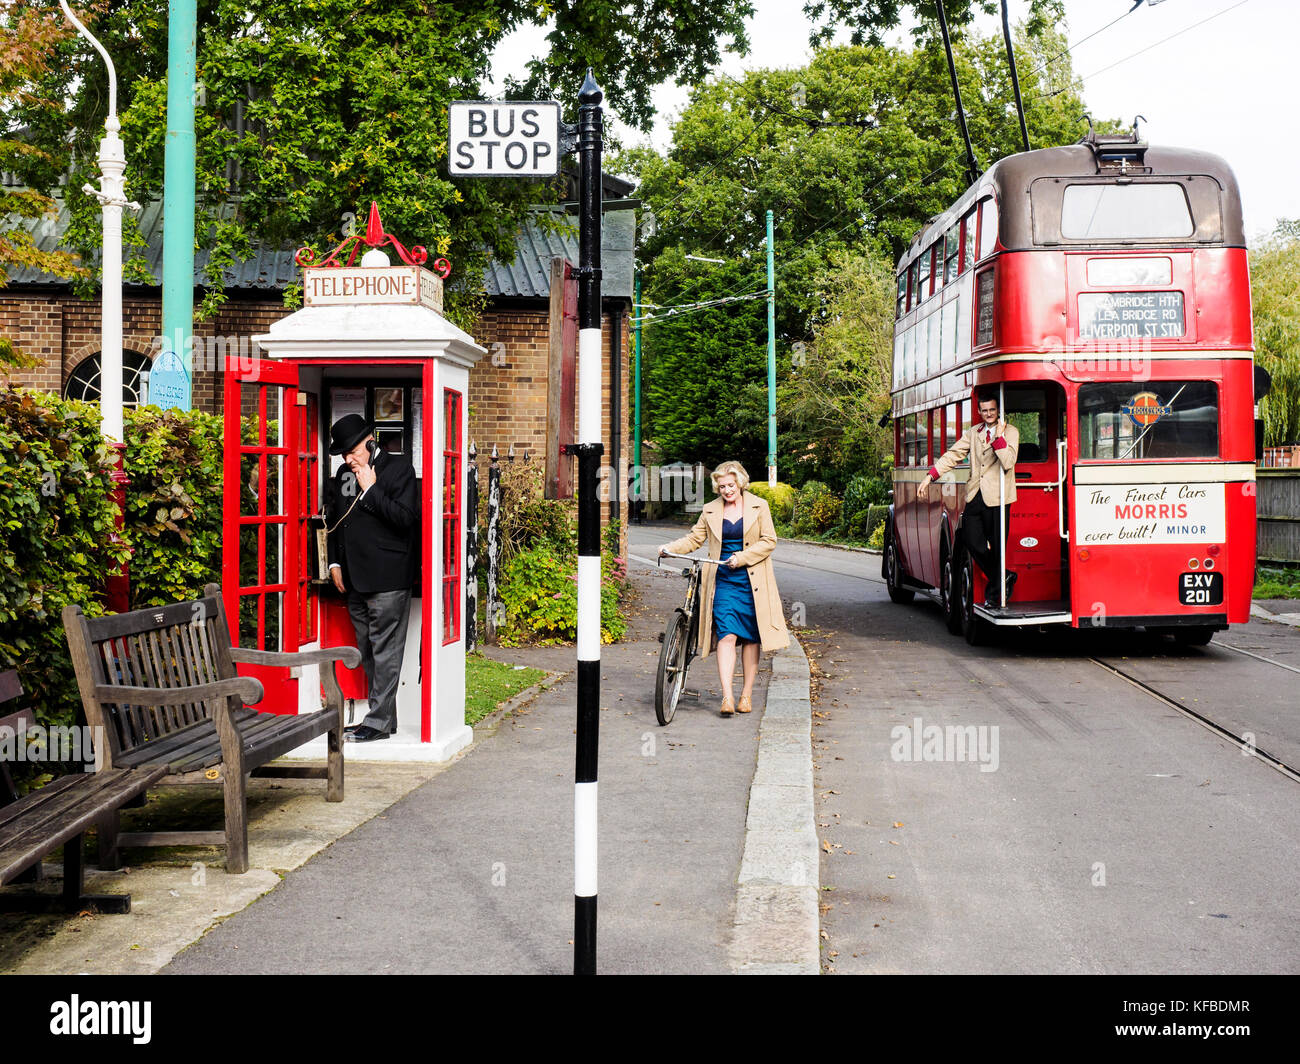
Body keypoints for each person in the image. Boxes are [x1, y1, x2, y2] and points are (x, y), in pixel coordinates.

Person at [659, 460, 790, 717]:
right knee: (727, 635)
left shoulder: (759, 506)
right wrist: (670, 549)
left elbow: (769, 541)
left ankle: (746, 695)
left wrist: (741, 557)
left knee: (751, 639)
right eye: (722, 487)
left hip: (752, 581)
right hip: (723, 581)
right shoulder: (710, 510)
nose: (727, 490)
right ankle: (728, 697)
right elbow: (695, 538)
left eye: (730, 485)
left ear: (740, 482)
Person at [324, 413, 419, 743]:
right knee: (368, 650)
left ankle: (377, 722)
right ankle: (385, 719)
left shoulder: (399, 469)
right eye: (344, 455)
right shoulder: (343, 474)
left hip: (389, 578)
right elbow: (336, 519)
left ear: (370, 442)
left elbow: (405, 519)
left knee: (386, 652)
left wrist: (372, 489)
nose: (348, 460)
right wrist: (334, 562)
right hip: (354, 578)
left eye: (352, 452)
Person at [917, 388, 1019, 606]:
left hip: (1000, 498)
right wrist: (930, 477)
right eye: (985, 410)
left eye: (992, 410)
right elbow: (953, 454)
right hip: (975, 496)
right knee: (970, 539)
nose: (989, 414)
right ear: (980, 411)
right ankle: (1004, 576)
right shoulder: (974, 433)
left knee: (998, 547)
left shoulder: (1011, 432)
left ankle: (993, 597)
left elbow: (1009, 462)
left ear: (998, 410)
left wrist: (998, 437)